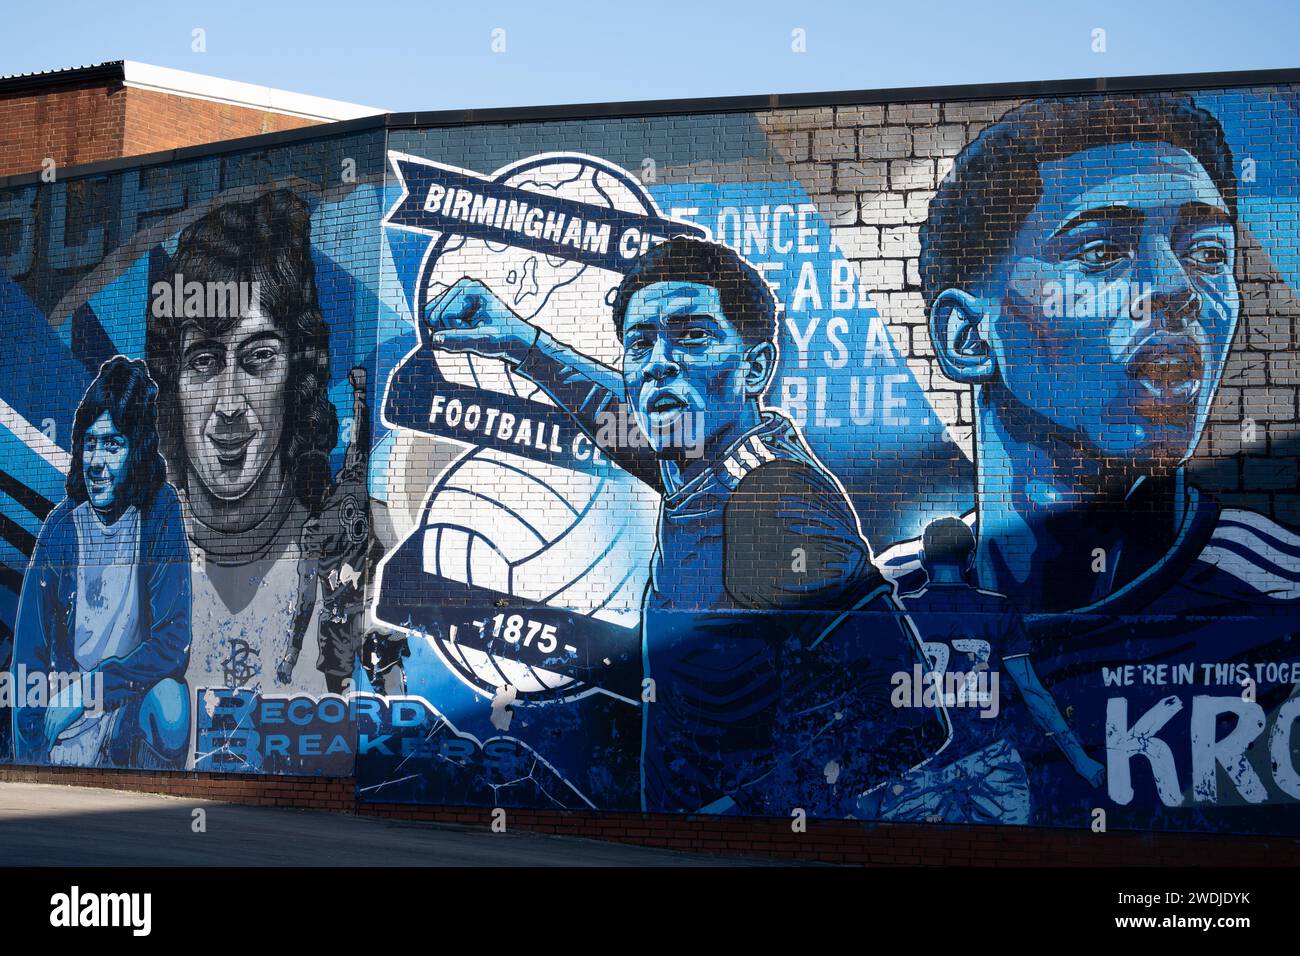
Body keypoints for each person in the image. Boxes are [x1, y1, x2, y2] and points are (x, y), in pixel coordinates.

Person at [876, 93, 1300, 822]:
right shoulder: (876, 614)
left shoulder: (1281, 603)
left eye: (1207, 254)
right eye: (1102, 251)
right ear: (968, 338)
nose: (1176, 289)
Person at [422, 236, 948, 817]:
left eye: (693, 335)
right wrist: (522, 342)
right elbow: (618, 417)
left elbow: (902, 716)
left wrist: (735, 816)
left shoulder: (770, 499)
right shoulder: (703, 465)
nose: (657, 364)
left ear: (754, 367)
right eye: (639, 344)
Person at [145, 189, 338, 710]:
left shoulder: (352, 548)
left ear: (296, 374)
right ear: (174, 383)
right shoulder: (138, 549)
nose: (229, 404)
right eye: (203, 362)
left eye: (257, 359)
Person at [11, 356, 191, 768]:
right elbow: (29, 656)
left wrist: (91, 689)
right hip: (65, 714)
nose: (97, 461)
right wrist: (30, 757)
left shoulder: (158, 512)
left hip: (125, 702)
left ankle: (146, 821)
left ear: (136, 451)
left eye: (113, 445)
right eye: (90, 443)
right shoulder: (61, 528)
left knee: (172, 705)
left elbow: (173, 643)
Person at [865, 517, 1103, 825]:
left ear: (923, 559)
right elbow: (1032, 692)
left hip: (920, 765)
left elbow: (876, 702)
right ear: (970, 557)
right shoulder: (996, 609)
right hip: (990, 762)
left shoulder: (900, 613)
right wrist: (1080, 759)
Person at [278, 365, 408, 695]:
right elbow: (359, 442)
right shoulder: (350, 484)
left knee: (342, 703)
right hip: (370, 617)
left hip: (339, 626)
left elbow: (305, 601)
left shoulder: (310, 536)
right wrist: (360, 395)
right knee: (388, 695)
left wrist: (291, 654)